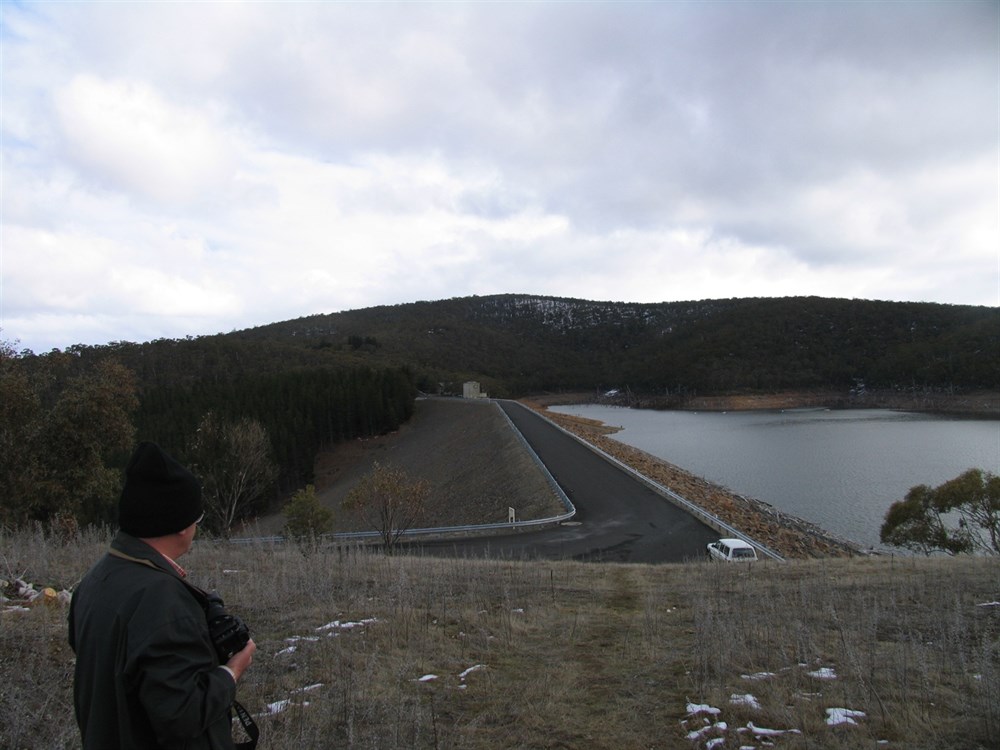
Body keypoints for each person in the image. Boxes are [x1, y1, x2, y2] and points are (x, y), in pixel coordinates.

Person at [69, 441, 257, 750]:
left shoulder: (94, 581)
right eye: (197, 518)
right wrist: (231, 671)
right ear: (182, 525)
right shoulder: (162, 600)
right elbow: (182, 715)